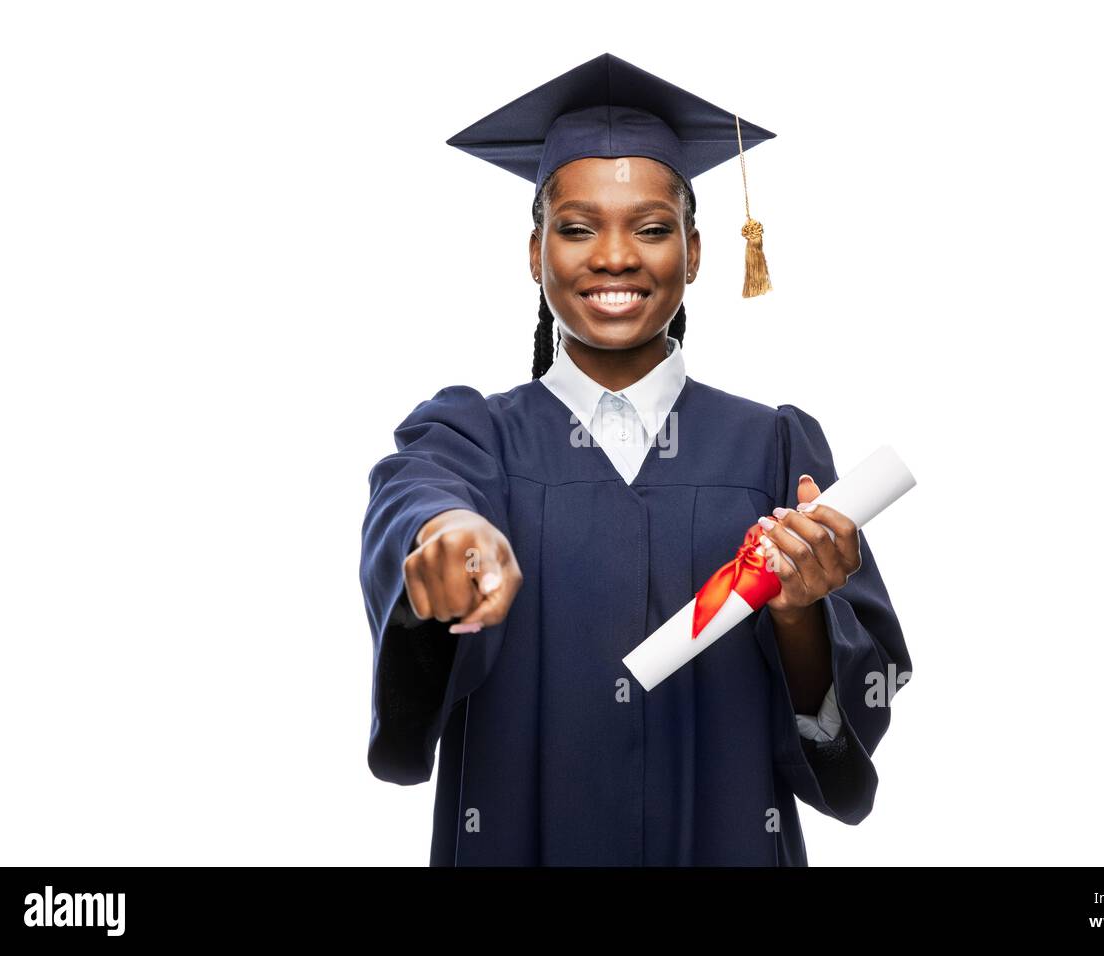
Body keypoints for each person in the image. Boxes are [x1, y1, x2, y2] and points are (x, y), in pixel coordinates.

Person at [359, 52, 912, 866]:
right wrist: (448, 535)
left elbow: (846, 731)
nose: (614, 257)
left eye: (651, 229)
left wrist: (799, 613)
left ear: (694, 251)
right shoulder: (476, 436)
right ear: (534, 251)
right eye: (577, 228)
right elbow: (417, 493)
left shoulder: (773, 449)